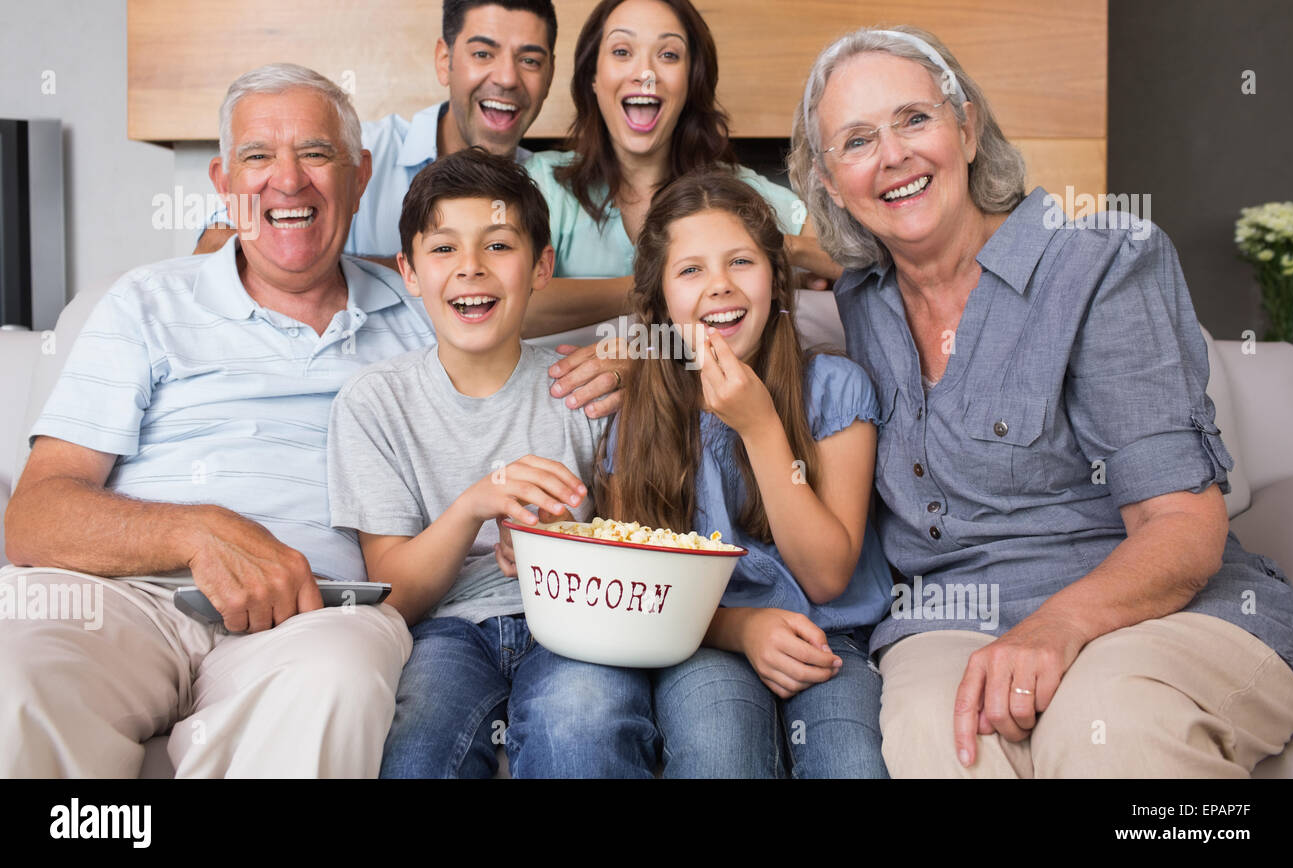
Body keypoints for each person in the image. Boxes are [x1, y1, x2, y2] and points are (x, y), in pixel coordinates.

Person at [789, 25, 1293, 776]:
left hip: (1158, 608)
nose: (893, 155)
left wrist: (1054, 628)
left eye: (915, 119)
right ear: (831, 183)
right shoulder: (863, 299)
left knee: (1107, 721)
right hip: (951, 618)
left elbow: (1183, 526)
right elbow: (720, 299)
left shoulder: (1102, 263)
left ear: (966, 128)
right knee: (934, 742)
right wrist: (634, 354)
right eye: (857, 140)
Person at [0, 63, 435, 777]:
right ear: (224, 183)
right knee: (11, 668)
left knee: (341, 675)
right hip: (124, 600)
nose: (287, 181)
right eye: (258, 157)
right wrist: (195, 531)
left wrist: (620, 354)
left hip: (312, 616)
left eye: (316, 154)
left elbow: (514, 304)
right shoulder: (145, 302)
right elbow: (34, 518)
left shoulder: (425, 309)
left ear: (359, 176)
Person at [327, 148, 658, 778]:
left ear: (540, 268)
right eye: (444, 249)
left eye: (499, 247)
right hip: (446, 632)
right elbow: (394, 594)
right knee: (419, 745)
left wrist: (564, 544)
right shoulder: (376, 402)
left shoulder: (584, 387)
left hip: (576, 620)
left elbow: (640, 538)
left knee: (584, 723)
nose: (471, 269)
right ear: (409, 271)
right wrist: (475, 504)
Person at [591, 170, 894, 777]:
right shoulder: (642, 420)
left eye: (740, 262)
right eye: (691, 270)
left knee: (850, 762)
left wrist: (760, 428)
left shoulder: (835, 391)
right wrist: (741, 629)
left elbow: (827, 575)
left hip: (831, 635)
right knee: (718, 752)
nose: (720, 287)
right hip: (704, 635)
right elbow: (640, 589)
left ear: (777, 281)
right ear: (657, 303)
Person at [521, 0, 843, 345]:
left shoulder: (735, 190)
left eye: (668, 55)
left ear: (691, 81)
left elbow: (857, 263)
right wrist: (657, 286)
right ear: (593, 77)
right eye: (622, 52)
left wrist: (779, 249)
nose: (645, 74)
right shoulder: (542, 182)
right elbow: (511, 305)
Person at [194, 0, 557, 266]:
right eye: (482, 54)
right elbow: (216, 247)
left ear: (550, 75)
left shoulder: (553, 190)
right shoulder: (343, 154)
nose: (507, 78)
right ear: (444, 62)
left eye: (529, 61)